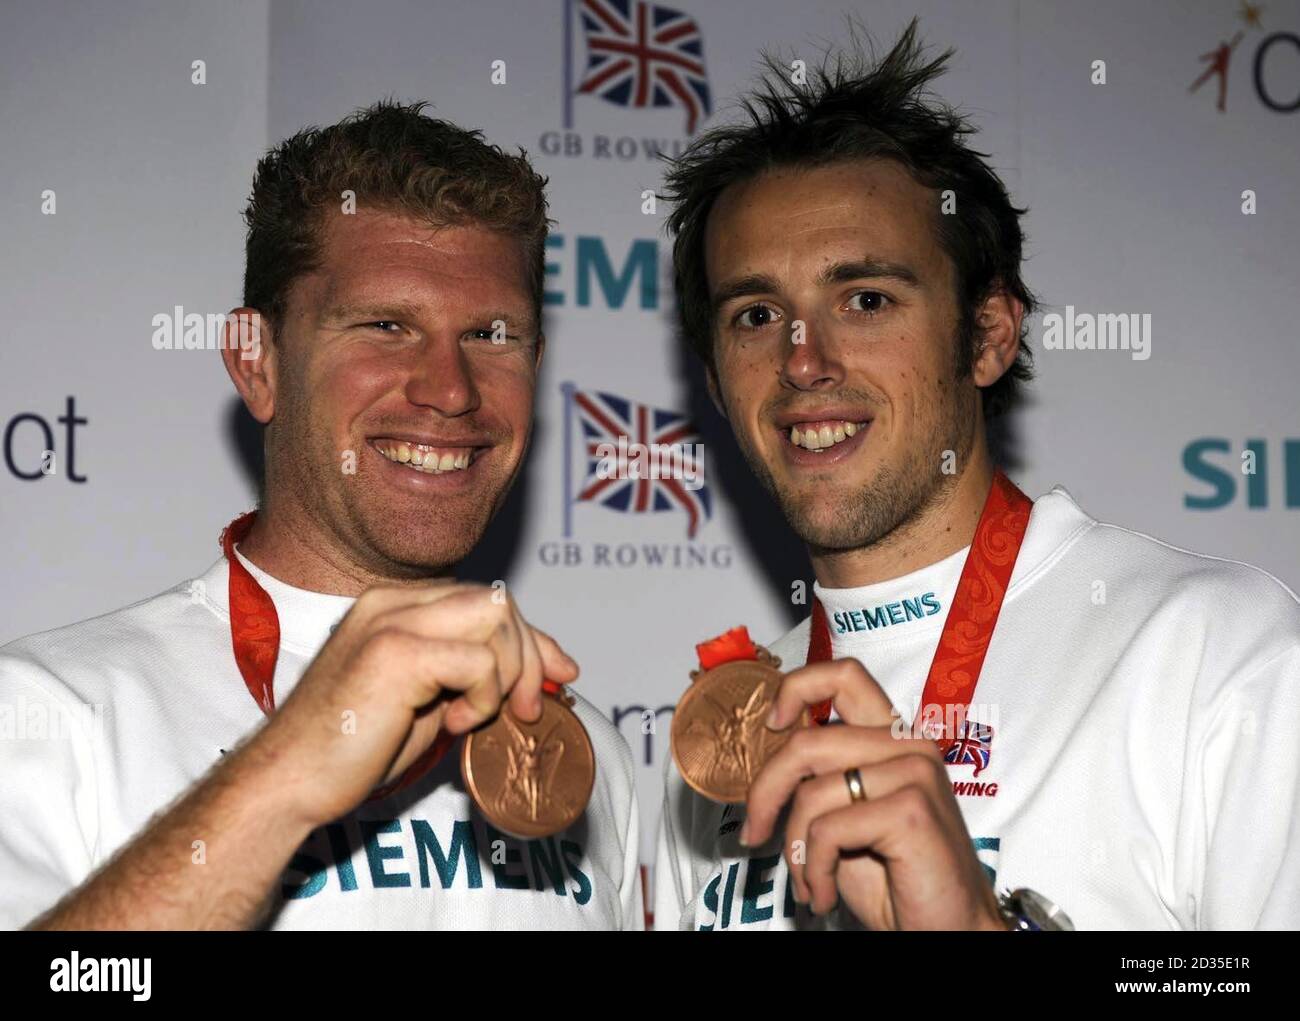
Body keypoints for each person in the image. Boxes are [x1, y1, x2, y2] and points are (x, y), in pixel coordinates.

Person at [653, 21, 1300, 931]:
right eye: (757, 314)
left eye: (866, 300)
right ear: (716, 380)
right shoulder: (716, 745)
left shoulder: (1212, 653)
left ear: (991, 335)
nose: (804, 361)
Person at [0, 101, 641, 930]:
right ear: (256, 361)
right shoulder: (50, 714)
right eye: (384, 325)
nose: (449, 388)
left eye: (491, 335)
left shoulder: (585, 752)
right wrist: (287, 772)